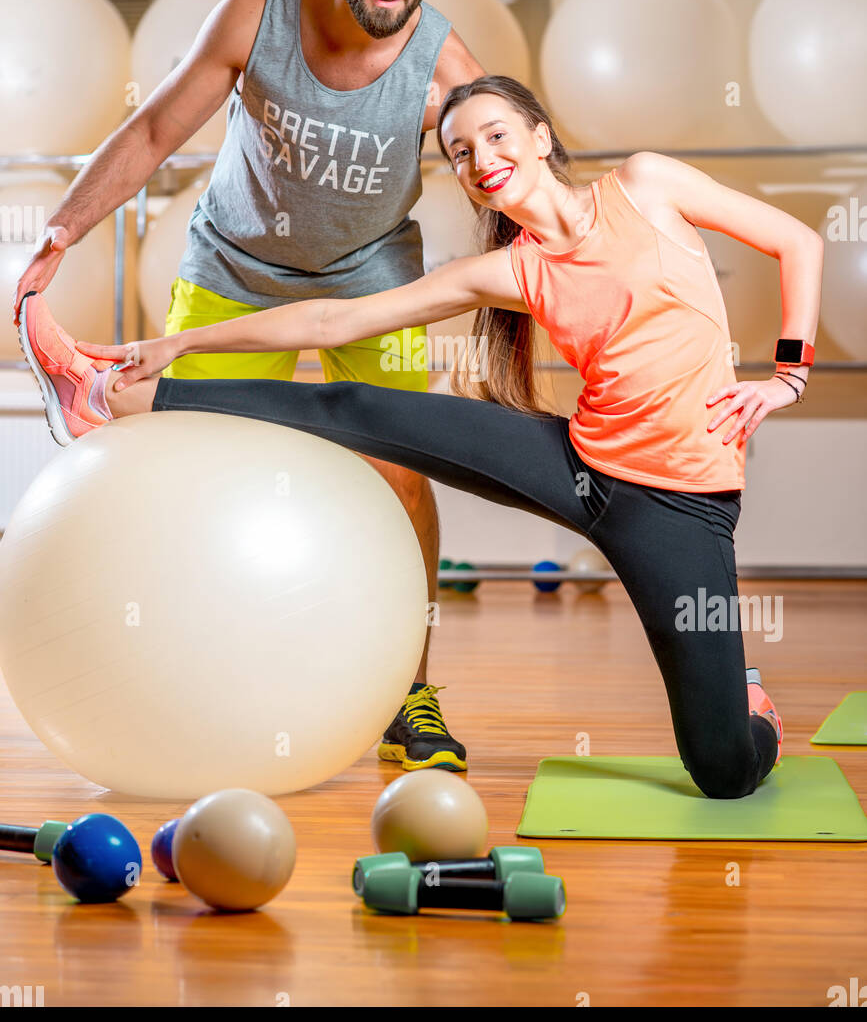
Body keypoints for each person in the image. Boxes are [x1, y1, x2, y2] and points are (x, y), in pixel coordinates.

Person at [18, 74, 825, 799]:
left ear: (541, 137)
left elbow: (798, 242)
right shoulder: (511, 271)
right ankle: (106, 392)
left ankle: (746, 701)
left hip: (679, 508)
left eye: (497, 136)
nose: (481, 159)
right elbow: (336, 318)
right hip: (578, 460)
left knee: (724, 772)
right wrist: (183, 343)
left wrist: (786, 374)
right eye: (461, 152)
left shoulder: (648, 185)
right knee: (357, 410)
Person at [12, 0, 486, 774]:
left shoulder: (445, 68)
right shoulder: (254, 16)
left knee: (402, 477)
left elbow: (511, 178)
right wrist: (59, 232)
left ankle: (410, 694)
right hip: (234, 266)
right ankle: (174, 667)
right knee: (187, 469)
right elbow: (154, 131)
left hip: (371, 278)